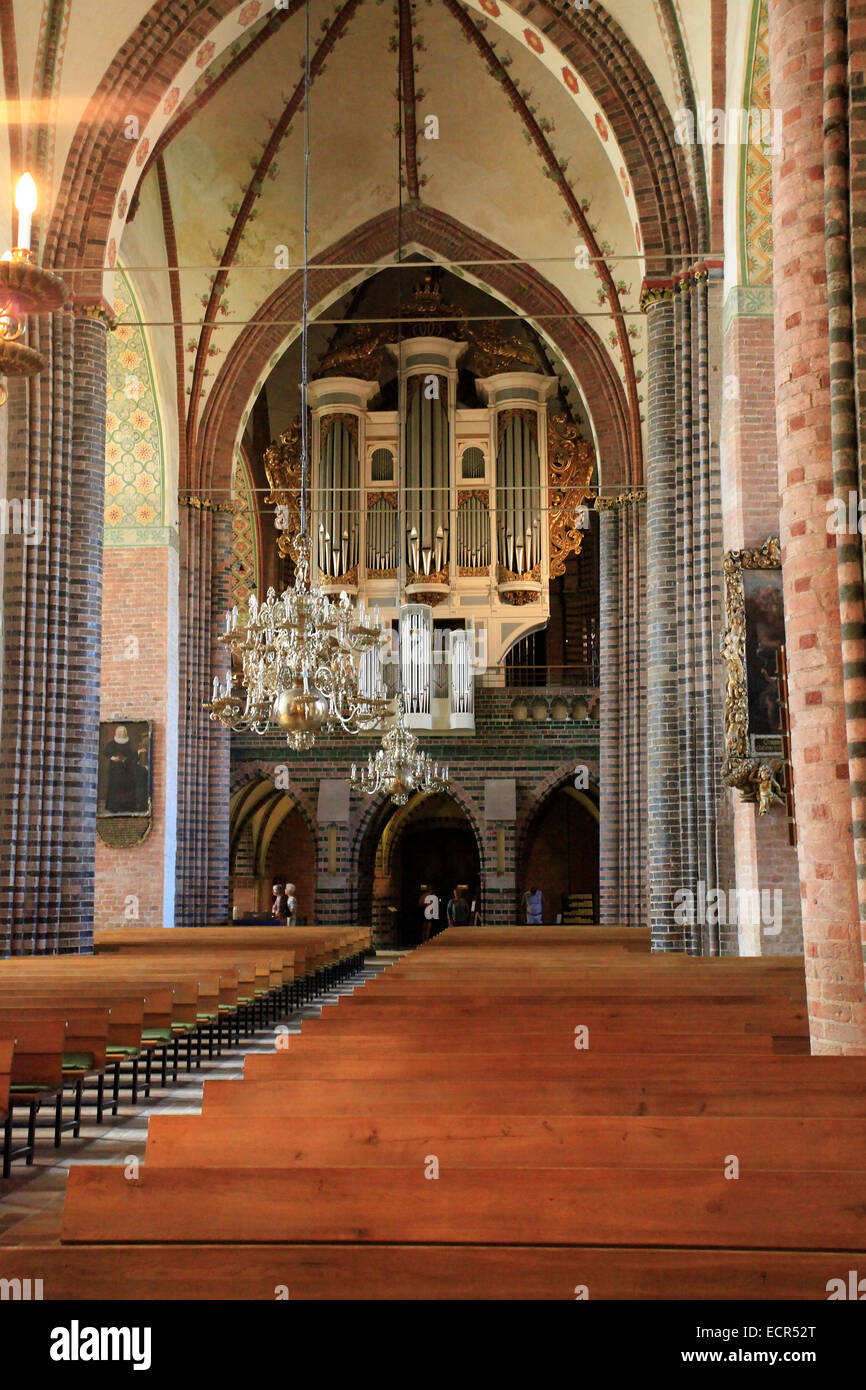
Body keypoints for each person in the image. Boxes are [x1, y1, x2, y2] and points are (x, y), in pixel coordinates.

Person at [102, 724, 138, 813]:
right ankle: (114, 807)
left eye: (123, 732)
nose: (121, 734)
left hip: (127, 770)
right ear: (117, 733)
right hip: (115, 770)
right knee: (115, 788)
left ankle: (126, 807)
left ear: (125, 733)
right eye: (120, 732)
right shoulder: (112, 744)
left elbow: (134, 755)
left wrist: (125, 759)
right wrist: (113, 758)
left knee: (126, 787)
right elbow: (106, 753)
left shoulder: (130, 743)